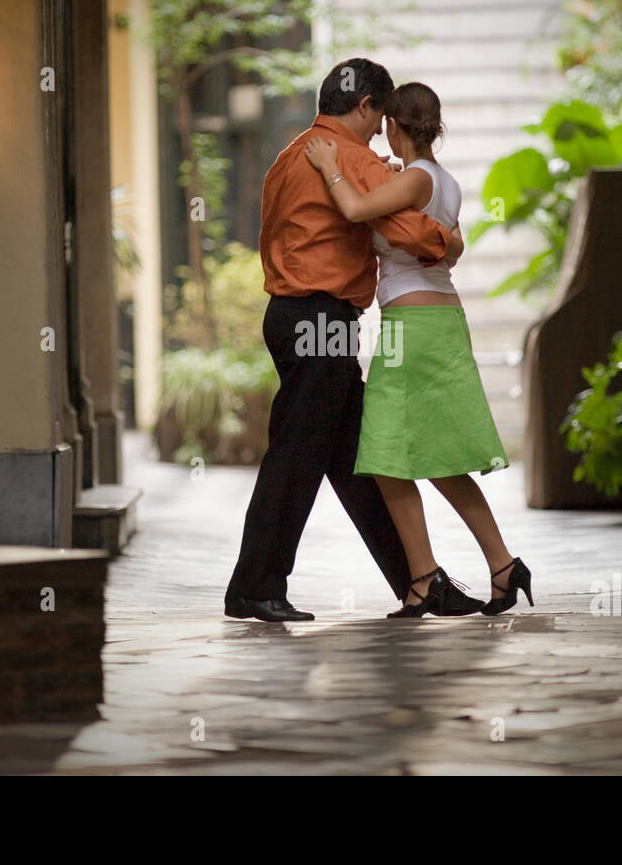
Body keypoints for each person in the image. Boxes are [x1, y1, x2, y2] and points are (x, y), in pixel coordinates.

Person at [224, 59, 486, 623]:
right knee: (298, 455)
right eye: (379, 117)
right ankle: (255, 586)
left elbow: (274, 233)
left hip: (294, 313)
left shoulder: (292, 154)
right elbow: (403, 229)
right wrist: (450, 239)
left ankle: (420, 582)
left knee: (361, 461)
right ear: (366, 106)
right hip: (323, 320)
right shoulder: (353, 157)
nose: (381, 131)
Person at [303, 81, 533, 618]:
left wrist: (329, 163)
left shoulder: (413, 181)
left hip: (412, 325)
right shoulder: (444, 181)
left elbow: (357, 209)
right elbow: (449, 249)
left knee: (384, 453)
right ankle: (499, 566)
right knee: (434, 457)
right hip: (441, 321)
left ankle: (427, 578)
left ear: (390, 125)